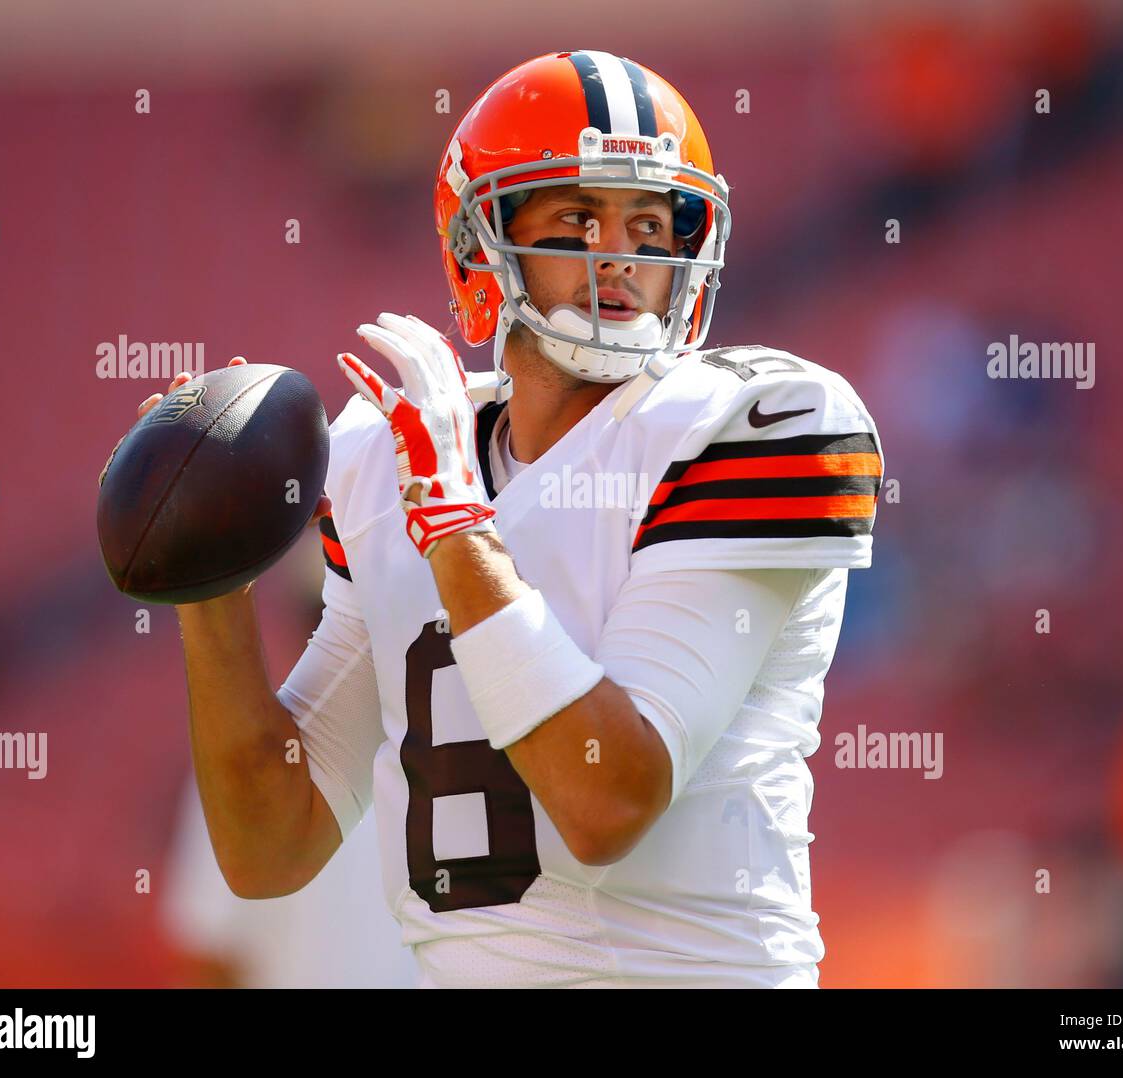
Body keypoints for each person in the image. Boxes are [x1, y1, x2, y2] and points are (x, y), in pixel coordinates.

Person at [139, 51, 884, 988]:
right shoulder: (386, 453)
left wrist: (456, 522)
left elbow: (608, 799)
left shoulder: (750, 424)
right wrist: (212, 581)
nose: (621, 258)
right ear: (478, 241)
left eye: (651, 225)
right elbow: (271, 845)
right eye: (578, 218)